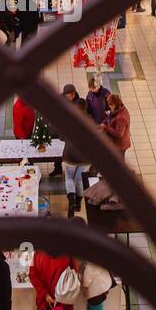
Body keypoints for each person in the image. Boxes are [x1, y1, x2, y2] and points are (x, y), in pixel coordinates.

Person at [61, 87, 92, 216]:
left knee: (69, 177)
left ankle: (71, 200)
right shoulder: (90, 121)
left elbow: (62, 136)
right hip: (85, 158)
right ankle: (79, 204)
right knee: (79, 180)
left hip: (70, 155)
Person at [100, 92, 131, 160]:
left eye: (110, 105)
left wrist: (106, 127)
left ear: (115, 104)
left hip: (120, 145)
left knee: (119, 161)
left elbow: (119, 134)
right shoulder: (119, 109)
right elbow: (111, 116)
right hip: (117, 143)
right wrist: (105, 123)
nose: (109, 106)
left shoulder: (121, 117)